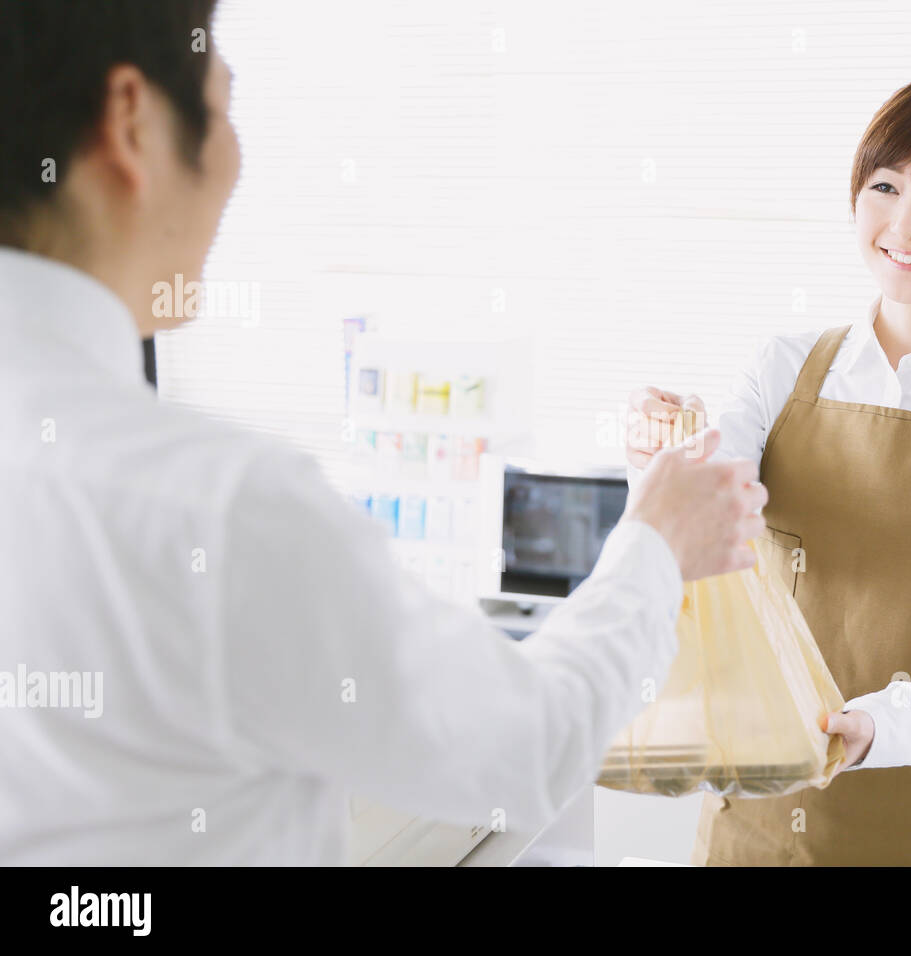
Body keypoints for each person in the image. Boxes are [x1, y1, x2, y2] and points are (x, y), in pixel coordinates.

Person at [0, 0, 767, 864]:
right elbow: (523, 746)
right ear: (133, 122)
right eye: (224, 102)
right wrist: (657, 546)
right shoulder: (221, 510)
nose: (237, 161)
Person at [627, 72, 911, 866]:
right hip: (757, 818)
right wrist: (664, 453)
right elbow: (700, 537)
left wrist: (878, 727)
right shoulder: (784, 369)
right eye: (885, 185)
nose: (907, 223)